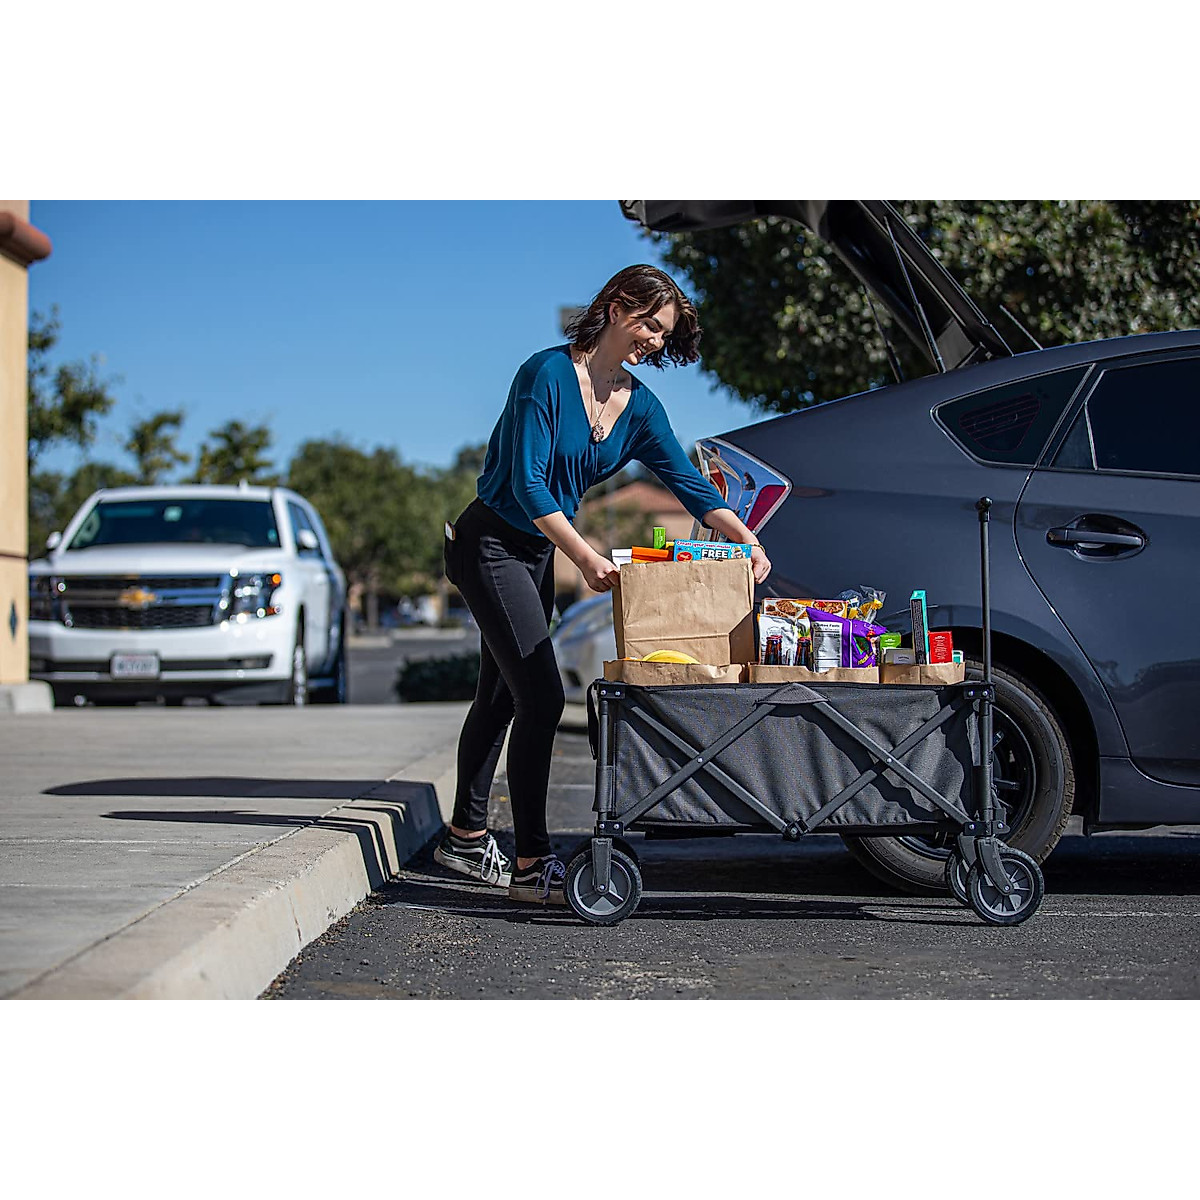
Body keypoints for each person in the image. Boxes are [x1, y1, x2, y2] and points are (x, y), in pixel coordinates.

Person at [435, 264, 772, 905]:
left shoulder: (639, 404)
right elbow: (530, 484)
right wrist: (587, 558)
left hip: (532, 549)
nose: (654, 341)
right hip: (488, 543)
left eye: (663, 334)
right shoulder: (546, 376)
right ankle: (532, 867)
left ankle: (464, 834)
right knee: (537, 697)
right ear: (618, 308)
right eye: (650, 325)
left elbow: (689, 482)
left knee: (503, 697)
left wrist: (745, 537)